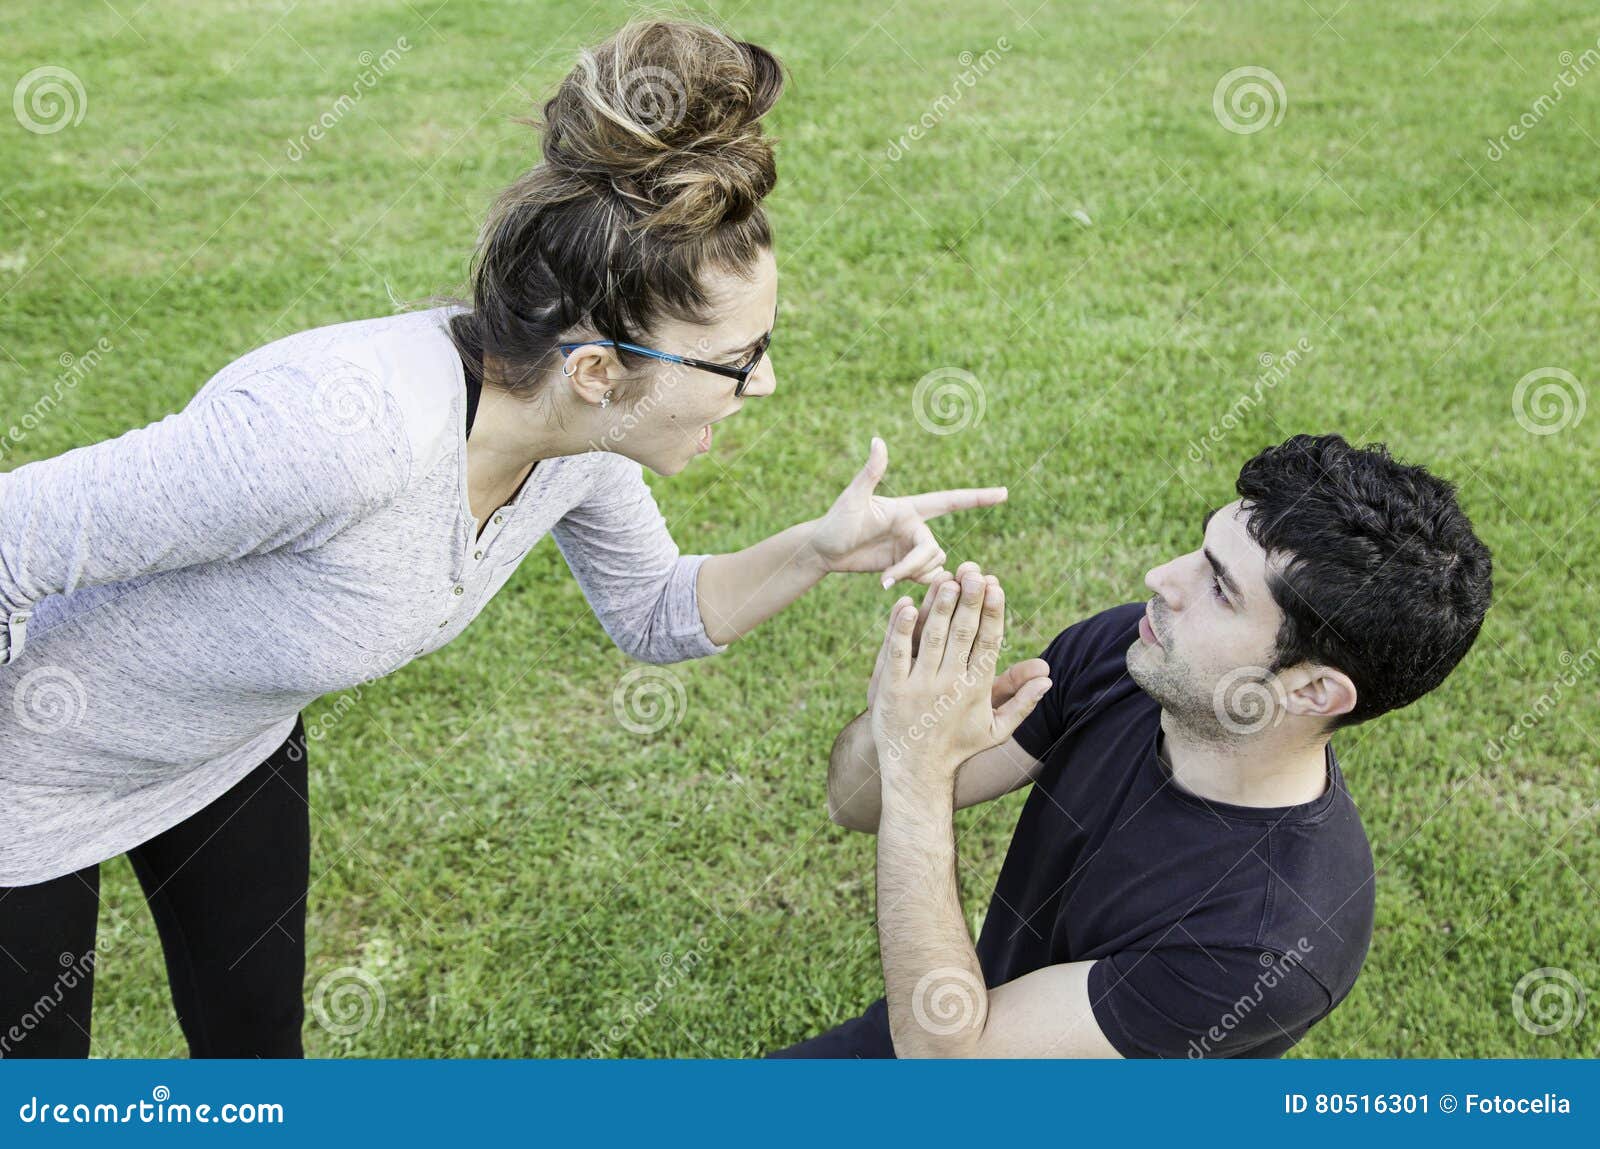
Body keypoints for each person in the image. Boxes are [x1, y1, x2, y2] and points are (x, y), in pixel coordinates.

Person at [0, 20, 1005, 1058]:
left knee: (258, 1052)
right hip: (27, 774)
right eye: (737, 361)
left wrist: (820, 548)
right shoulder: (341, 433)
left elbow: (656, 610)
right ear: (597, 372)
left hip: (228, 750)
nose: (765, 386)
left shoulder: (578, 444)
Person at [775, 434, 1492, 1058]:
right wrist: (901, 731)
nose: (1162, 579)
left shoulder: (1266, 939)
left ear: (1311, 690)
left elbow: (952, 1064)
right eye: (1202, 549)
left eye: (1219, 586)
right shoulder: (1137, 655)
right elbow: (856, 802)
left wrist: (919, 777)